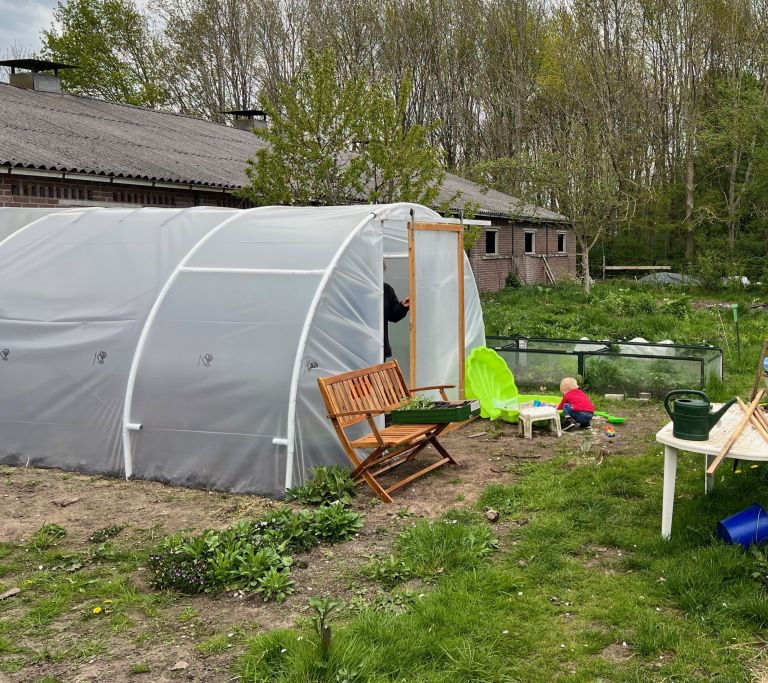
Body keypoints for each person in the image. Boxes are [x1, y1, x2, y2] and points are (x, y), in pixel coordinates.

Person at [383, 266, 410, 361]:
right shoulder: (355, 289)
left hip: (379, 348)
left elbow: (392, 315)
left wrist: (403, 306)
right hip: (356, 349)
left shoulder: (386, 289)